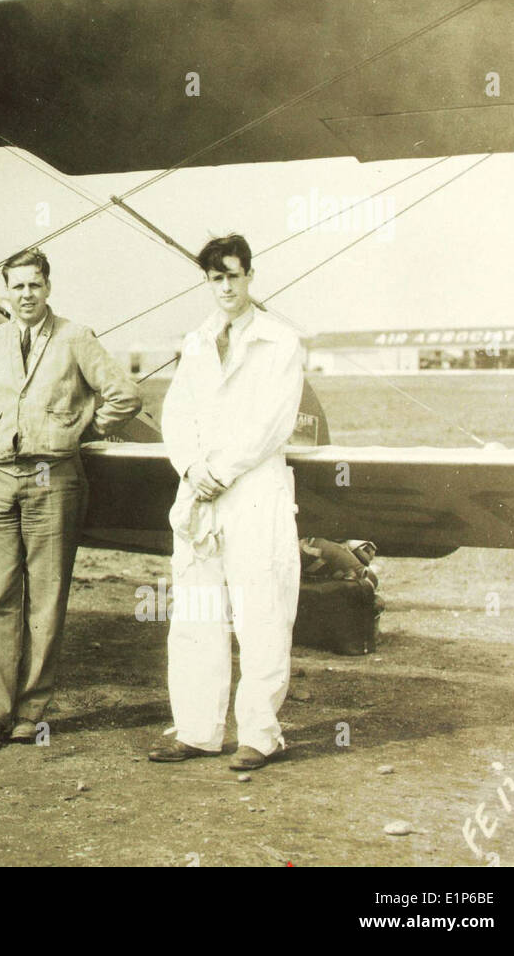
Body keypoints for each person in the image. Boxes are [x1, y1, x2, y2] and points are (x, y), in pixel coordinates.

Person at [0, 249, 141, 750]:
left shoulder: (76, 337)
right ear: (4, 291)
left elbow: (125, 395)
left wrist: (78, 432)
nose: (26, 295)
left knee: (46, 597)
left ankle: (30, 712)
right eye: (17, 287)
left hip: (53, 477)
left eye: (34, 285)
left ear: (48, 287)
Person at [151, 234, 304, 771]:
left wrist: (221, 470)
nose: (226, 287)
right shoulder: (196, 342)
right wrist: (192, 468)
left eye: (234, 276)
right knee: (196, 610)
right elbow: (176, 414)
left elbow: (274, 421)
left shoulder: (280, 340)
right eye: (216, 279)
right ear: (207, 282)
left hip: (253, 492)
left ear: (250, 276)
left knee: (261, 610)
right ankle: (197, 730)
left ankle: (260, 735)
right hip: (198, 494)